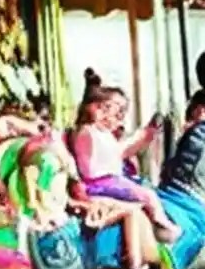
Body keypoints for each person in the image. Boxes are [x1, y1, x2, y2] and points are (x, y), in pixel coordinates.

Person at [73, 87, 180, 242]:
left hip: (110, 179)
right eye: (112, 107)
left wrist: (144, 136)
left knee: (146, 188)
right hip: (99, 182)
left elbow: (120, 152)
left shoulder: (104, 134)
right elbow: (117, 152)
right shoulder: (87, 131)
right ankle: (163, 223)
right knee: (148, 196)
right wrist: (139, 136)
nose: (119, 114)